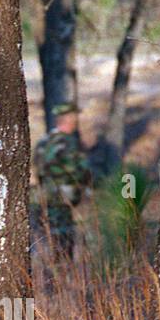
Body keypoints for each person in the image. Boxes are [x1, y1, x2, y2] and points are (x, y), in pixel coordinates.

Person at [32, 100, 92, 260]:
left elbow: (38, 167)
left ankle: (52, 270)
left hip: (46, 195)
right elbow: (81, 171)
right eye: (73, 118)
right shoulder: (68, 142)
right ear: (68, 119)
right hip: (63, 197)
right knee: (63, 237)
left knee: (48, 234)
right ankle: (62, 273)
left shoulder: (44, 141)